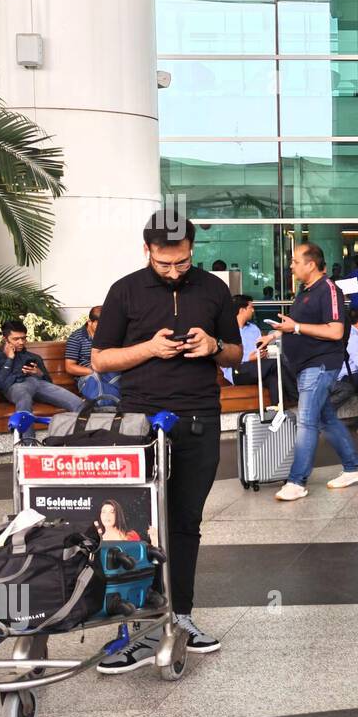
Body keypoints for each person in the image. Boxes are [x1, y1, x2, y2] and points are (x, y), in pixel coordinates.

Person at [91, 209, 245, 668]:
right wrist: (149, 349)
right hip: (140, 422)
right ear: (147, 252)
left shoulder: (214, 289)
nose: (174, 272)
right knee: (139, 524)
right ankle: (138, 627)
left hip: (198, 417)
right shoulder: (125, 291)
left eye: (181, 262)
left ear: (191, 251)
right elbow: (100, 360)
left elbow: (236, 350)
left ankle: (181, 615)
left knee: (184, 521)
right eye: (164, 264)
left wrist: (213, 347)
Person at [257, 243, 358, 501]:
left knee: (306, 421)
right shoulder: (304, 291)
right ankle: (355, 467)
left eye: (295, 261)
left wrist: (296, 328)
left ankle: (297, 481)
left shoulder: (328, 289)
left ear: (310, 264)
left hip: (319, 365)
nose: (291, 265)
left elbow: (335, 331)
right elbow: (297, 326)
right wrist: (275, 334)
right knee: (325, 419)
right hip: (305, 366)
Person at [0, 321, 84, 416]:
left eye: (23, 338)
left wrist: (39, 373)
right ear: (5, 339)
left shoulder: (33, 357)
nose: (21, 342)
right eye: (16, 339)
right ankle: (27, 434)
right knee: (24, 399)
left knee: (78, 403)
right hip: (16, 387)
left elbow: (48, 382)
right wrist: (10, 359)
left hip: (38, 384)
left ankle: (86, 432)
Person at [222, 294, 294, 405]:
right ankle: (297, 398)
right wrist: (248, 358)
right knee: (276, 364)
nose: (253, 310)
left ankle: (277, 412)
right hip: (236, 370)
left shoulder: (254, 328)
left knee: (274, 377)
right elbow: (223, 357)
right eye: (251, 307)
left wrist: (263, 353)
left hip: (258, 366)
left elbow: (260, 347)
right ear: (242, 310)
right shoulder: (226, 330)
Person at [64, 306, 122, 401]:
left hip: (109, 372)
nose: (104, 328)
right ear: (89, 322)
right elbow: (69, 367)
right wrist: (93, 371)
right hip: (88, 376)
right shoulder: (76, 338)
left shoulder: (108, 335)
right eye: (100, 325)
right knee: (96, 381)